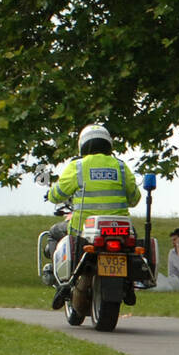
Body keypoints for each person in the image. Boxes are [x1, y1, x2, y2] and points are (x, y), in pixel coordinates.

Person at [43, 124, 141, 302]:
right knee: (133, 242)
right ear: (108, 145)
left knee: (54, 233)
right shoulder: (120, 167)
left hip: (83, 228)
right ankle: (130, 284)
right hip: (119, 229)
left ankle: (62, 283)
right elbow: (134, 198)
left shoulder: (78, 166)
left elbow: (57, 194)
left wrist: (49, 193)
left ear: (83, 145)